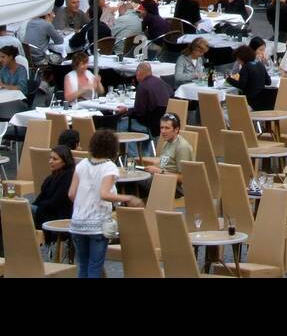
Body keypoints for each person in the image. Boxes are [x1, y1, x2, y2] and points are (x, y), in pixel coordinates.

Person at [68, 128, 140, 278]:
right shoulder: (109, 167)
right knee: (95, 268)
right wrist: (128, 198)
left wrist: (85, 203)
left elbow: (71, 194)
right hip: (98, 224)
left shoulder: (81, 165)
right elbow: (104, 194)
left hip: (77, 223)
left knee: (83, 267)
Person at [119, 62, 170, 138]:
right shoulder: (161, 82)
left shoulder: (143, 86)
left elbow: (139, 112)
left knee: (121, 125)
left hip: (148, 124)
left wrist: (126, 110)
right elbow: (171, 94)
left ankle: (132, 150)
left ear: (138, 72)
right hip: (162, 122)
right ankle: (147, 149)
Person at [138, 113, 194, 180]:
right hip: (160, 179)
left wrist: (160, 172)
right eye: (162, 128)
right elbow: (164, 165)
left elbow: (184, 178)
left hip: (172, 187)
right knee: (135, 173)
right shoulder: (167, 142)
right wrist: (153, 168)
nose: (163, 131)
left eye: (167, 128)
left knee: (134, 181)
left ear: (176, 130)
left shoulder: (182, 147)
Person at [32, 145, 76, 230]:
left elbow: (55, 202)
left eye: (55, 159)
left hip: (58, 216)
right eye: (50, 158)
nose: (50, 161)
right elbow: (40, 198)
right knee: (21, 208)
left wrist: (34, 207)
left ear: (65, 162)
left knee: (23, 211)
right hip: (46, 211)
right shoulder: (51, 178)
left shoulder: (68, 177)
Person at [226, 39, 272, 110]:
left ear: (241, 58)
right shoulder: (260, 64)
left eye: (238, 59)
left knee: (229, 108)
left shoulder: (246, 67)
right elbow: (268, 82)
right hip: (264, 101)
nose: (238, 61)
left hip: (250, 102)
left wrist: (228, 79)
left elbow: (241, 85)